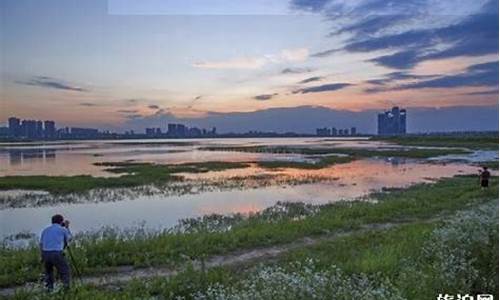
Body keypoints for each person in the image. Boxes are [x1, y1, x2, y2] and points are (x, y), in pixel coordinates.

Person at [39, 214, 72, 291]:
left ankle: (49, 289)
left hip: (45, 253)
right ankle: (66, 289)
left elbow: (41, 244)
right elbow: (69, 239)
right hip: (56, 253)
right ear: (61, 222)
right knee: (65, 271)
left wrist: (41, 256)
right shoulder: (62, 229)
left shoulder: (45, 230)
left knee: (49, 272)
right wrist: (67, 227)